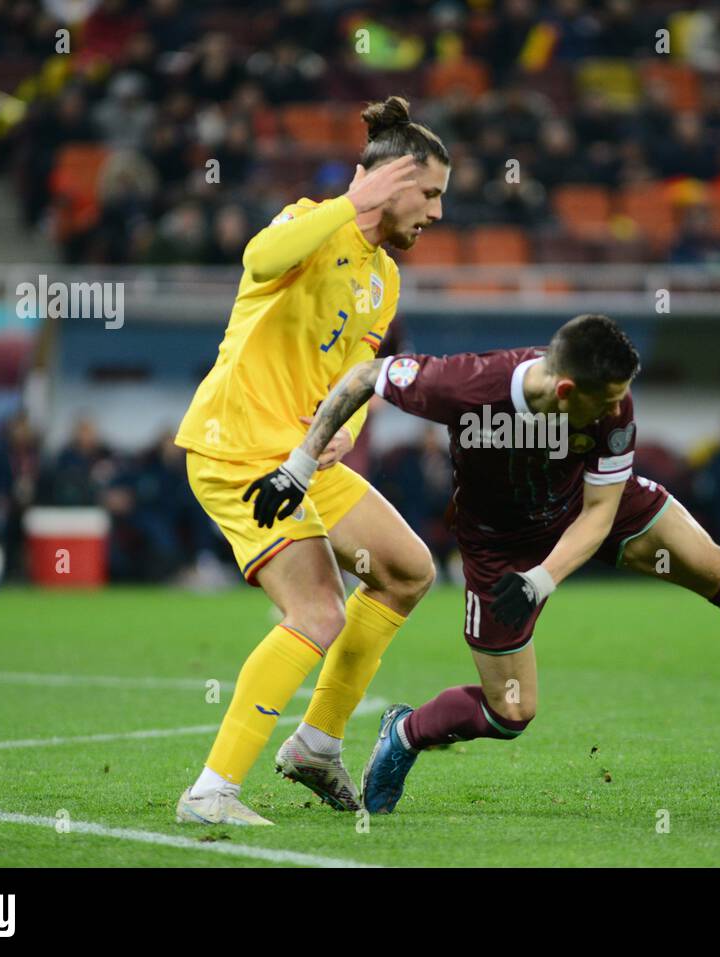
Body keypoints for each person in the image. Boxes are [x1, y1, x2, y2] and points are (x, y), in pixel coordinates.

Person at [254, 314, 720, 813]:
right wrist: (301, 463)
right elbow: (364, 376)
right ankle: (406, 731)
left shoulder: (612, 398)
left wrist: (546, 578)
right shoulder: (467, 385)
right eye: (608, 400)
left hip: (592, 510)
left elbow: (599, 511)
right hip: (497, 546)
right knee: (512, 711)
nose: (621, 410)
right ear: (564, 393)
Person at [172, 96, 449, 826]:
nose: (437, 212)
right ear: (386, 183)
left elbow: (354, 380)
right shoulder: (305, 221)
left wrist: (346, 429)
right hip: (237, 447)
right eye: (429, 194)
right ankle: (211, 791)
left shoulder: (384, 281)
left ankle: (316, 744)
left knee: (407, 569)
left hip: (302, 455)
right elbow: (258, 259)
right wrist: (352, 198)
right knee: (319, 608)